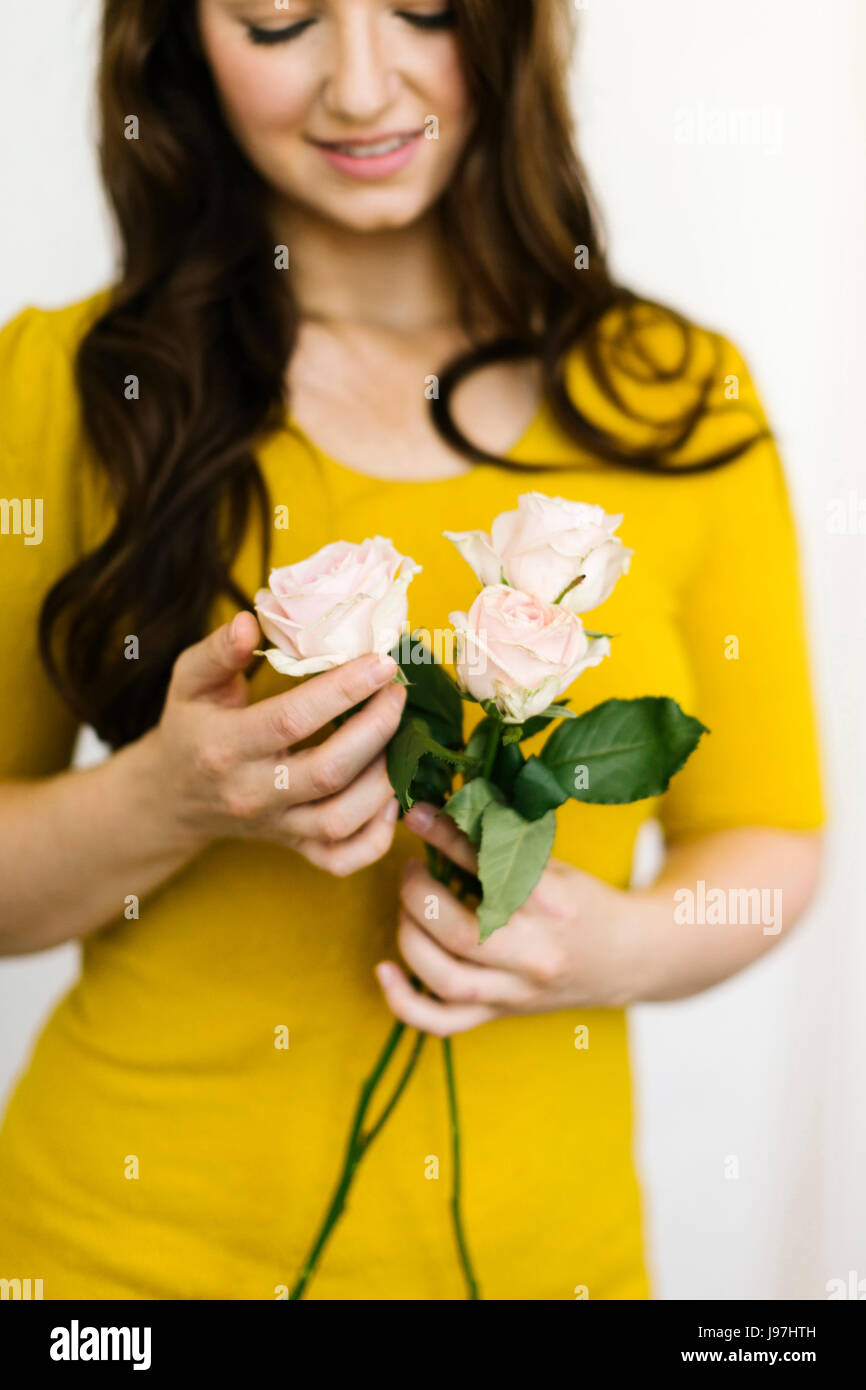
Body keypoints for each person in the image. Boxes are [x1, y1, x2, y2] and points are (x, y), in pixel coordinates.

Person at [0, 0, 823, 1299]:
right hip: (113, 1266)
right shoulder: (69, 383)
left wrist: (619, 948)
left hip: (546, 1266)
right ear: (177, 39)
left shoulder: (675, 396)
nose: (361, 86)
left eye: (424, 9)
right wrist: (163, 798)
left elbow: (769, 833)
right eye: (278, 19)